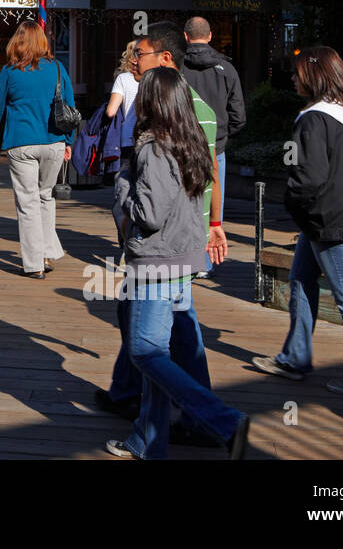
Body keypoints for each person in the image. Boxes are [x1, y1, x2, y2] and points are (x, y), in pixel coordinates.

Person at [105, 66, 249, 460]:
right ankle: (148, 440)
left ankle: (222, 420)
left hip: (157, 260)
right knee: (159, 353)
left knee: (145, 352)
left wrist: (122, 186)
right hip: (185, 256)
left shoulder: (153, 147)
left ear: (151, 103)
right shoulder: (194, 142)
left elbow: (148, 214)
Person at [96, 22, 224, 427]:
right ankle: (144, 421)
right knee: (167, 331)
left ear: (165, 60)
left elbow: (153, 201)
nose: (134, 61)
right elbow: (206, 173)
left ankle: (212, 418)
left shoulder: (162, 127)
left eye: (141, 55)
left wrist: (123, 193)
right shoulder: (190, 112)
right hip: (185, 241)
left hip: (162, 246)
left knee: (151, 347)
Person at [251, 45, 343, 398]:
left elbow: (308, 178)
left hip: (326, 219)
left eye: (298, 73)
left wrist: (294, 205)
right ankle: (295, 358)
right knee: (301, 279)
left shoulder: (312, 118)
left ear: (313, 77)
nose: (294, 78)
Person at [0, 20, 75, 277]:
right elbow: (69, 106)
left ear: (18, 42)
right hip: (54, 141)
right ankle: (46, 253)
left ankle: (34, 264)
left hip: (21, 143)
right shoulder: (57, 68)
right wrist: (68, 140)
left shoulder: (10, 71)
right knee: (46, 196)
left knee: (28, 202)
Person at [181, 17, 246, 279]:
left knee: (184, 201)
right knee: (212, 204)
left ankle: (184, 257)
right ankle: (205, 262)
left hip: (182, 144)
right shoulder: (226, 69)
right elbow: (239, 114)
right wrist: (221, 135)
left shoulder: (177, 67)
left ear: (186, 37)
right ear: (210, 36)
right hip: (215, 146)